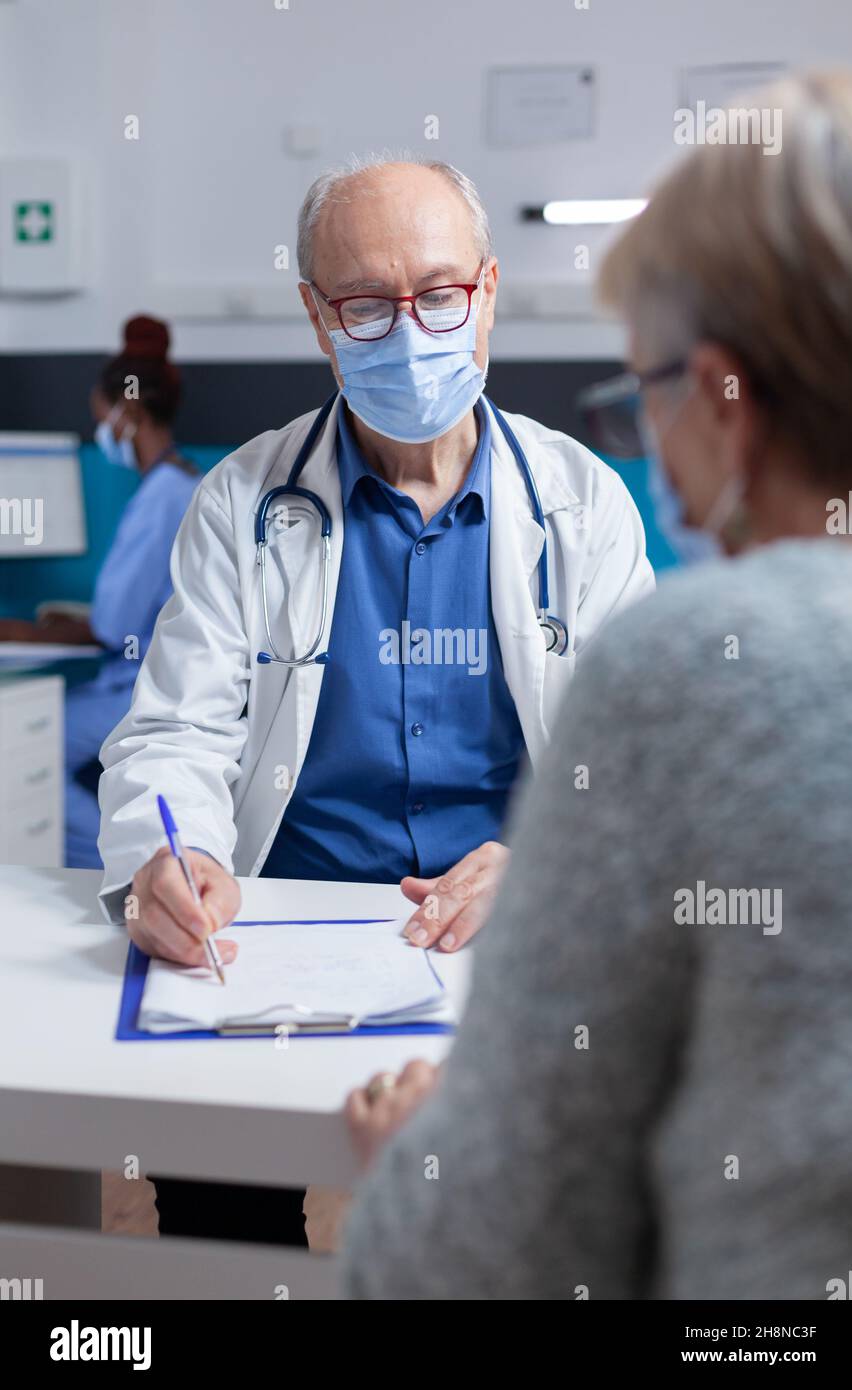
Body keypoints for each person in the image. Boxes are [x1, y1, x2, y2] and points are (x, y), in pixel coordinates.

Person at [339, 70, 852, 1299]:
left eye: (649, 394)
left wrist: (422, 1163)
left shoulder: (699, 668)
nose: (656, 460)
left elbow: (496, 1256)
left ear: (724, 402)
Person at [95, 155, 654, 1246]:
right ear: (316, 315)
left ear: (486, 292)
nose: (409, 331)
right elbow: (172, 731)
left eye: (439, 293)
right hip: (265, 938)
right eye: (365, 303)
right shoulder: (241, 502)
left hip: (497, 946)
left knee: (529, 1215)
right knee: (215, 1201)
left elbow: (640, 773)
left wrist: (549, 862)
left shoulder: (582, 504)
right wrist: (174, 855)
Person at [0, 316, 199, 868]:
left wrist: (22, 631)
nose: (101, 435)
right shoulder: (180, 484)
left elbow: (112, 625)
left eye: (101, 421)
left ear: (129, 413)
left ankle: (123, 868)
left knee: (20, 746)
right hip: (151, 678)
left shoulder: (160, 501)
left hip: (139, 689)